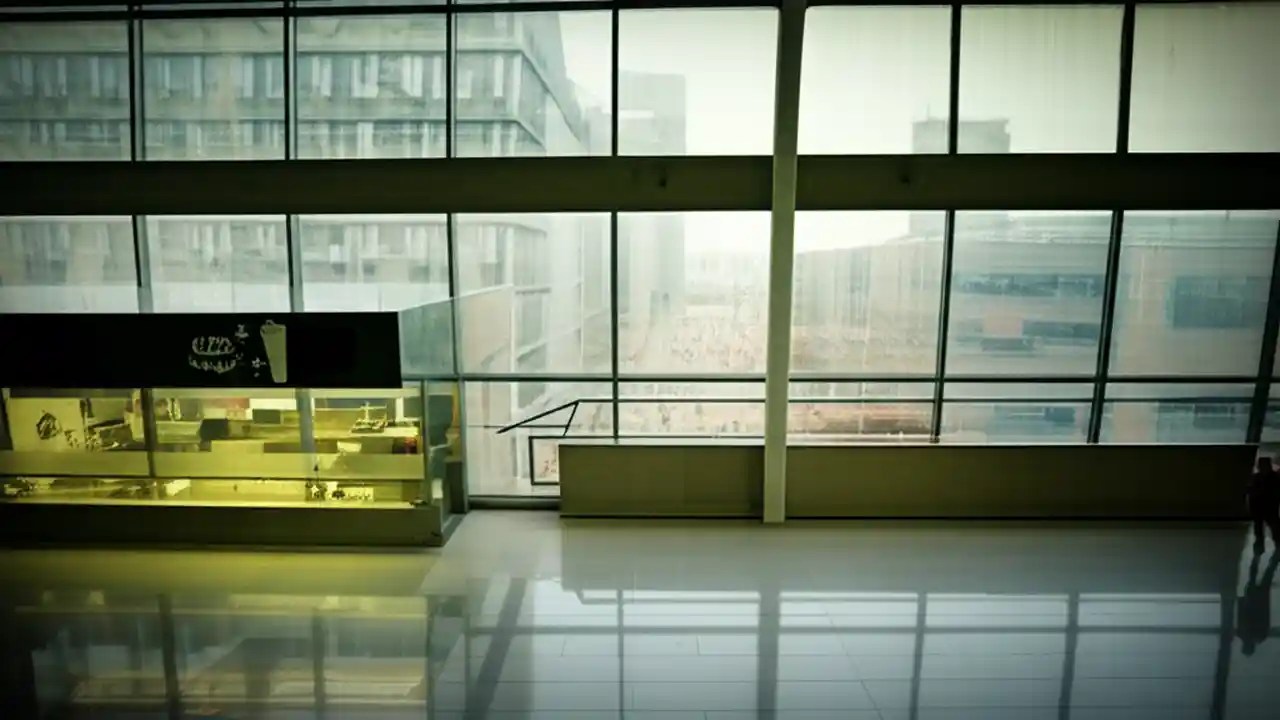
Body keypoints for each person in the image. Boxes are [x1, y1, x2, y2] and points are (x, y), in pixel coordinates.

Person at [1236, 551, 1279, 656]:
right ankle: (1257, 553)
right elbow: (1241, 614)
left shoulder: (1261, 636)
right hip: (1251, 599)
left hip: (1261, 600)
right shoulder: (1241, 633)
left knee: (1269, 572)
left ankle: (1277, 553)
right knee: (1254, 574)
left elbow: (1265, 617)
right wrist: (1242, 600)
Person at [1246, 457, 1280, 553]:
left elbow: (1250, 492)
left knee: (1262, 529)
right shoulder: (1275, 478)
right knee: (1273, 528)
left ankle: (1259, 550)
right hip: (1269, 507)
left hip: (1261, 507)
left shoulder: (1256, 478)